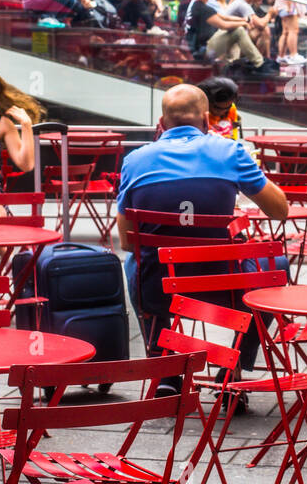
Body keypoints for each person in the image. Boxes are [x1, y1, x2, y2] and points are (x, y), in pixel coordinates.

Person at [116, 83, 288, 389]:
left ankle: (165, 368)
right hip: (224, 284)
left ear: (161, 123)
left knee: (135, 258)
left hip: (158, 285)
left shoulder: (135, 160)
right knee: (278, 265)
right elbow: (280, 210)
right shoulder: (231, 151)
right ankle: (233, 364)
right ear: (207, 121)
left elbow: (127, 240)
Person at [207, 0, 265, 68]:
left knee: (240, 31)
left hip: (213, 44)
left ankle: (259, 62)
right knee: (239, 31)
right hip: (206, 50)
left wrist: (244, 21)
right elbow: (223, 24)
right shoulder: (207, 4)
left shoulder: (215, 3)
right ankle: (260, 64)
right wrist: (244, 23)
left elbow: (225, 17)